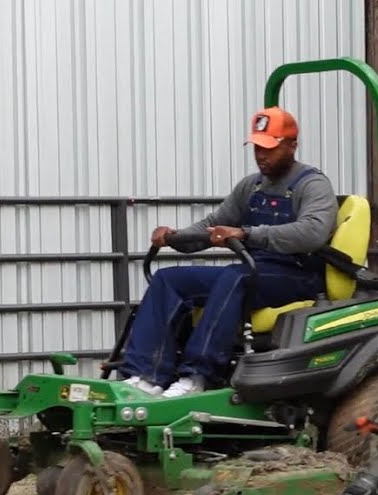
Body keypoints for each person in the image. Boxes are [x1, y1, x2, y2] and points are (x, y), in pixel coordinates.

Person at [118, 107, 338, 398]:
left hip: (298, 275)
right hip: (255, 269)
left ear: (292, 145)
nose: (261, 155)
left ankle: (198, 376)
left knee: (234, 277)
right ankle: (145, 374)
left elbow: (312, 232)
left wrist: (248, 234)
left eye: (269, 147)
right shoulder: (252, 186)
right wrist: (175, 237)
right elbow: (213, 225)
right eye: (258, 147)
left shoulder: (312, 185)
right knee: (168, 279)